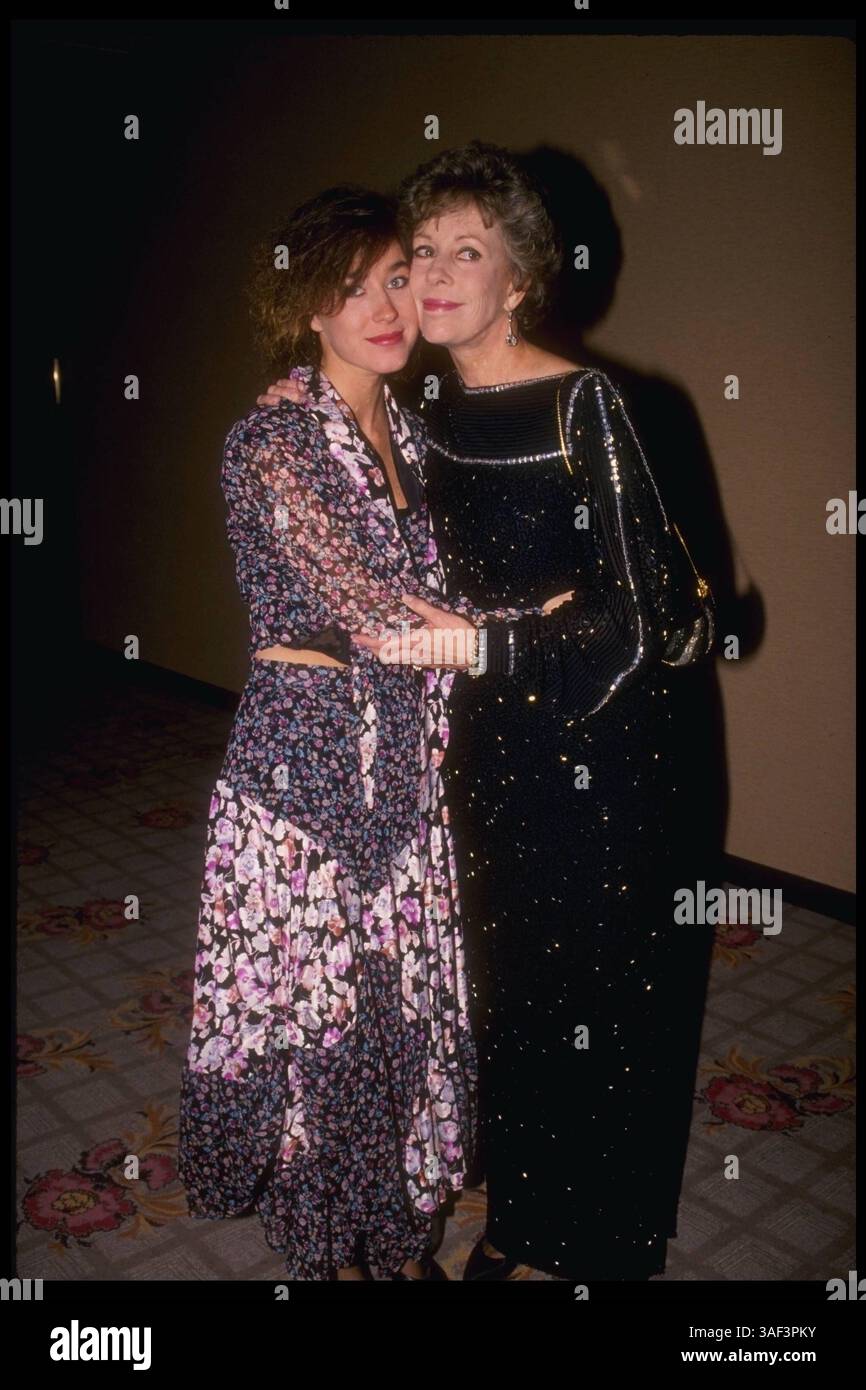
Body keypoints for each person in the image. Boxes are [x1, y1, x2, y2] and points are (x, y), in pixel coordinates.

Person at [258, 141, 716, 1282]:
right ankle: (514, 1198)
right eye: (421, 252)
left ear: (519, 281)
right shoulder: (427, 414)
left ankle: (567, 1235)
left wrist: (492, 636)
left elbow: (653, 618)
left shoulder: (583, 403)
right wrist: (300, 392)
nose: (438, 272)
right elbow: (381, 525)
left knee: (590, 991)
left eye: (472, 251)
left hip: (595, 750)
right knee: (499, 987)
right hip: (481, 746)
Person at [177, 186, 557, 1282]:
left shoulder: (413, 426)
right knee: (324, 1029)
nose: (384, 305)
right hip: (306, 772)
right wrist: (533, 631)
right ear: (305, 305)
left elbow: (470, 552)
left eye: (396, 276)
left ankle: (387, 1234)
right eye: (348, 288)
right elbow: (379, 613)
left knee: (398, 1017)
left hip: (400, 765)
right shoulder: (272, 440)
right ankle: (328, 1248)